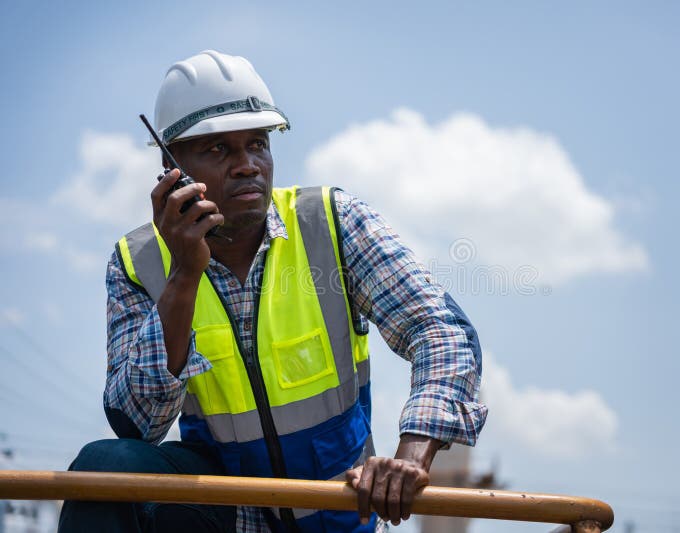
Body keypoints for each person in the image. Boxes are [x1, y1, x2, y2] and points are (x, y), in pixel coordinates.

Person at [58, 50, 487, 533]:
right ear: (170, 165)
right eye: (219, 149)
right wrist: (184, 275)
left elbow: (441, 331)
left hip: (336, 511)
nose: (247, 166)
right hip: (222, 515)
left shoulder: (332, 223)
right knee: (106, 466)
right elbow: (139, 426)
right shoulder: (138, 263)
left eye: (257, 143)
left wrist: (410, 456)